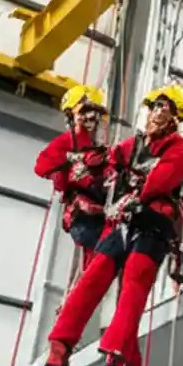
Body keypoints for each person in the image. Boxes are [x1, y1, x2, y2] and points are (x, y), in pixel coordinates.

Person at [36, 84, 183, 366]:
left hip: (151, 226)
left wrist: (130, 195)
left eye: (164, 108)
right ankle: (56, 360)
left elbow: (160, 182)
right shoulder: (133, 145)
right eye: (153, 106)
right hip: (121, 224)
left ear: (175, 117)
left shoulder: (178, 150)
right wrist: (83, 163)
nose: (157, 112)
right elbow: (107, 159)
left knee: (133, 289)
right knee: (90, 283)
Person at [35, 84, 110, 271]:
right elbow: (42, 166)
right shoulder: (68, 142)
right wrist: (69, 161)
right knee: (98, 261)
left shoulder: (98, 145)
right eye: (84, 112)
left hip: (98, 213)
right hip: (84, 215)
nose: (90, 117)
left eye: (94, 113)